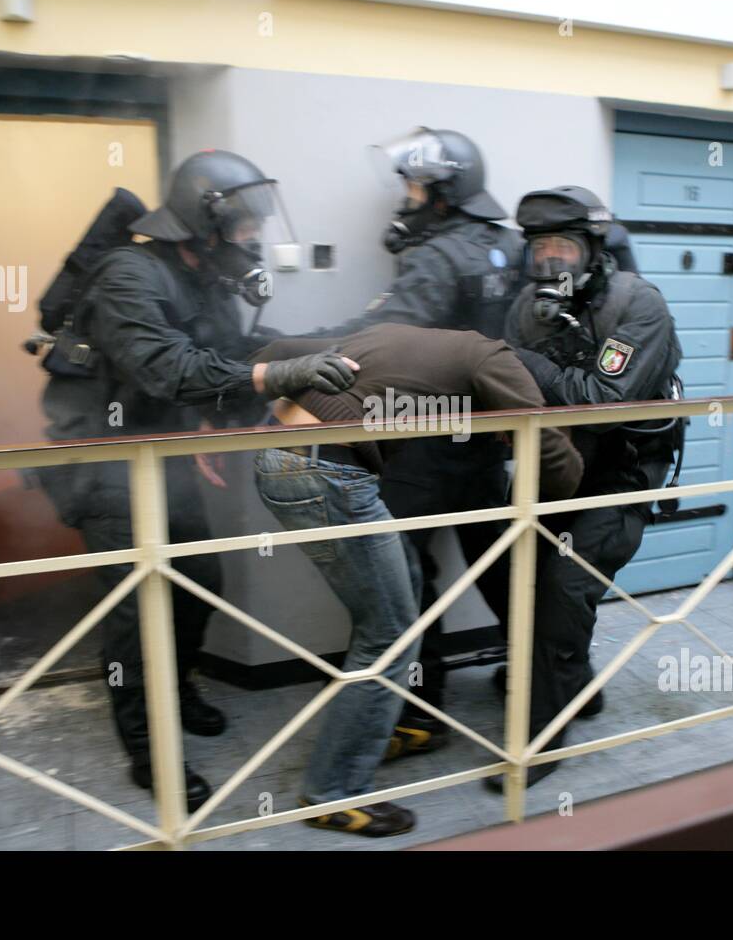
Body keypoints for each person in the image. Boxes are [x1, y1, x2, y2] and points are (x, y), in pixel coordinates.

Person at [35, 150, 358, 811]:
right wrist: (274, 379)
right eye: (244, 226)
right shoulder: (127, 274)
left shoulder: (204, 280)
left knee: (199, 584)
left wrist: (328, 347)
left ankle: (176, 691)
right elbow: (168, 368)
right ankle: (148, 748)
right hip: (101, 460)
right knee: (136, 611)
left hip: (165, 454)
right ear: (204, 223)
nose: (253, 239)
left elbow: (229, 365)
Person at [251, 323, 583, 835]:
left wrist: (216, 412)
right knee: (389, 633)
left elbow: (276, 350)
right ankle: (331, 791)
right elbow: (547, 437)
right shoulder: (493, 355)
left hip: (281, 461)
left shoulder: (402, 342)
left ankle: (394, 726)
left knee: (399, 588)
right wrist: (567, 499)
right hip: (329, 472)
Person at [308, 127, 526, 758]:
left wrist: (290, 354)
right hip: (487, 438)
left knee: (403, 576)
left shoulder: (436, 256)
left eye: (412, 185)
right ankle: (557, 683)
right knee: (505, 568)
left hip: (426, 439)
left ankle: (417, 716)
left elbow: (379, 334)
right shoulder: (507, 246)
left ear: (441, 192)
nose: (404, 197)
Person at [497, 185, 684, 788]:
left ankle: (539, 746)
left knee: (565, 584)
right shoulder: (526, 308)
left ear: (593, 251)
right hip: (560, 462)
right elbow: (513, 394)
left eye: (564, 248)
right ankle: (573, 683)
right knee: (515, 571)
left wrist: (537, 368)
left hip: (625, 466)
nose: (551, 262)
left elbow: (605, 400)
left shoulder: (639, 305)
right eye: (540, 249)